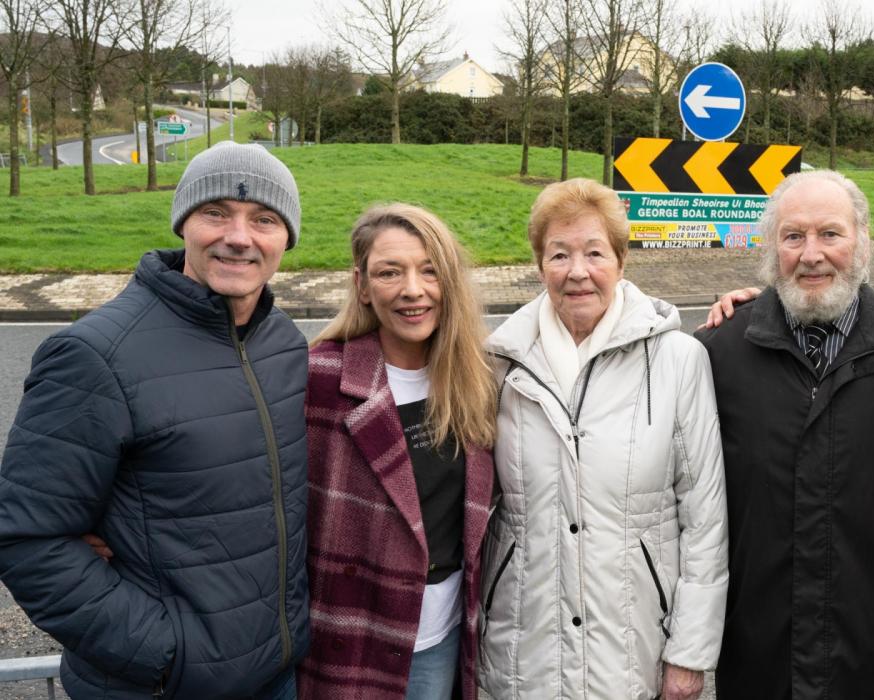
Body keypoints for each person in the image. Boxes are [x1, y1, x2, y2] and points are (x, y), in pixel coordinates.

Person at [0, 141, 308, 699]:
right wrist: (162, 654)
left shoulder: (283, 342)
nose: (239, 236)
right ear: (182, 223)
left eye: (264, 219)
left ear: (287, 238)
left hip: (274, 676)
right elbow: (27, 538)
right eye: (215, 212)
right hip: (160, 687)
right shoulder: (96, 354)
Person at [478, 178, 728, 700]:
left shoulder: (679, 360)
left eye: (595, 252)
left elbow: (704, 518)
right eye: (559, 254)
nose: (577, 272)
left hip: (635, 644)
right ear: (538, 264)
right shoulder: (498, 362)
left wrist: (689, 652)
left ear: (621, 259)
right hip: (524, 646)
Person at [695, 170, 874, 698]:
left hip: (865, 643)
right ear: (773, 248)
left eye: (830, 234)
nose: (811, 253)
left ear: (862, 240)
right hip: (755, 645)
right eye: (793, 236)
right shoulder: (718, 351)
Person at [298, 204, 496, 700]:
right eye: (390, 272)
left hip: (445, 635)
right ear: (362, 285)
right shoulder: (319, 379)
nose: (413, 289)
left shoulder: (477, 378)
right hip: (350, 639)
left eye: (430, 270)